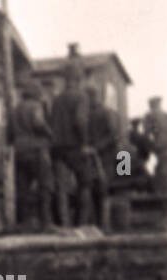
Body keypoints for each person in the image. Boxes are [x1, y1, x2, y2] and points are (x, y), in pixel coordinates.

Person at [49, 65, 91, 226]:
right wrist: (85, 143)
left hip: (57, 148)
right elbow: (80, 121)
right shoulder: (81, 97)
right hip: (75, 147)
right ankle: (81, 223)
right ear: (78, 79)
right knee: (85, 183)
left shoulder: (57, 99)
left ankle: (65, 225)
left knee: (61, 187)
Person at [12, 79, 55, 231]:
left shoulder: (16, 108)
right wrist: (50, 133)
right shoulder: (36, 106)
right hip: (36, 149)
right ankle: (46, 223)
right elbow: (38, 123)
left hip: (19, 151)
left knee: (22, 187)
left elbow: (9, 132)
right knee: (45, 185)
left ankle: (25, 222)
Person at [85, 81, 119, 231]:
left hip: (106, 157)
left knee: (105, 189)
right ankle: (99, 225)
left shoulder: (106, 112)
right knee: (95, 190)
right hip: (92, 157)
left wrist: (96, 148)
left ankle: (107, 225)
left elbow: (113, 135)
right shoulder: (87, 113)